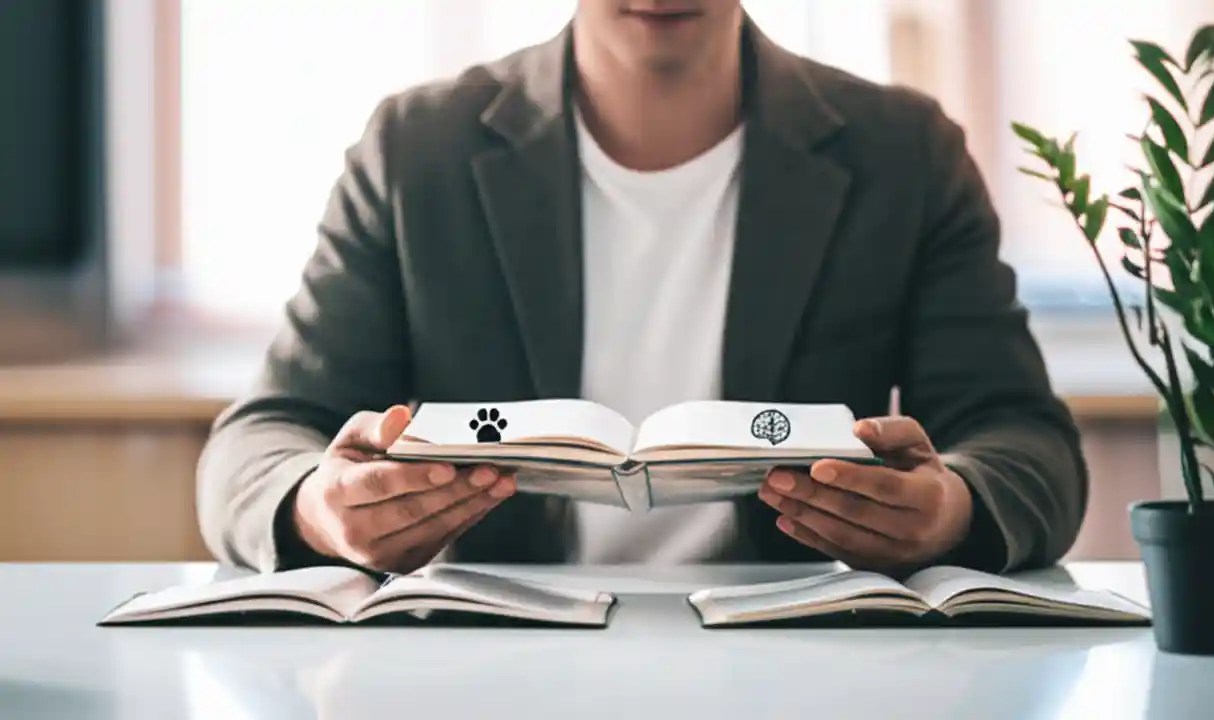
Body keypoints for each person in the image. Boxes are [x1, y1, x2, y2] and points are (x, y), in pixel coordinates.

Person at [197, 0, 1087, 576]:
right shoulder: (416, 150)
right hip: (484, 669)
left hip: (810, 667)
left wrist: (948, 510)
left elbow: (1023, 442)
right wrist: (321, 508)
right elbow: (260, 441)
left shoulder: (903, 151)